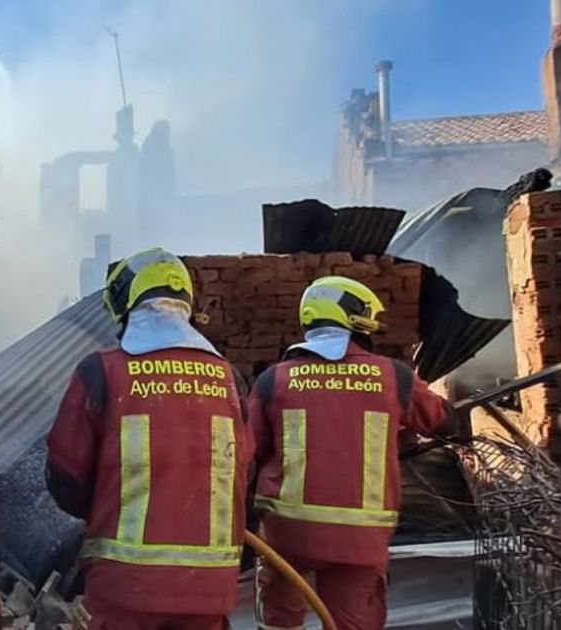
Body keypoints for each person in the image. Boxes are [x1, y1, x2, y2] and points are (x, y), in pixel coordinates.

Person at [46, 247, 254, 630]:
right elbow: (245, 473)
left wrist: (107, 503)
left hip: (125, 588)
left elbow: (66, 479)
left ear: (124, 305)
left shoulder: (102, 372)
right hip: (210, 590)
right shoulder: (229, 379)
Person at [249, 276, 457, 630]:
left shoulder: (275, 380)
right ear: (356, 323)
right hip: (358, 540)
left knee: (280, 619)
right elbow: (442, 421)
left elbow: (250, 450)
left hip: (288, 535)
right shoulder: (394, 377)